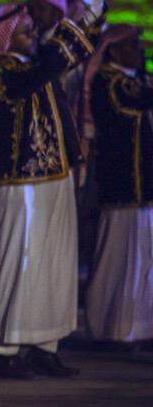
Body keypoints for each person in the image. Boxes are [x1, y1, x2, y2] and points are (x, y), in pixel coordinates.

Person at [0, 5, 92, 379]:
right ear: (6, 39)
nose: (34, 35)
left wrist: (91, 13)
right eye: (26, 31)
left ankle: (45, 347)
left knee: (56, 263)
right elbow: (42, 71)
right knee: (21, 260)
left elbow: (57, 63)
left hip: (57, 176)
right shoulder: (0, 70)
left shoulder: (39, 66)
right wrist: (76, 23)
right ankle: (8, 350)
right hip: (22, 179)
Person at [81, 24, 152, 346]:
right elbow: (132, 103)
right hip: (121, 184)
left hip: (142, 188)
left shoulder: (134, 81)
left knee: (142, 260)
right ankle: (110, 328)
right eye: (132, 45)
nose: (139, 51)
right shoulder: (108, 82)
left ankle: (139, 327)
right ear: (113, 51)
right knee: (117, 260)